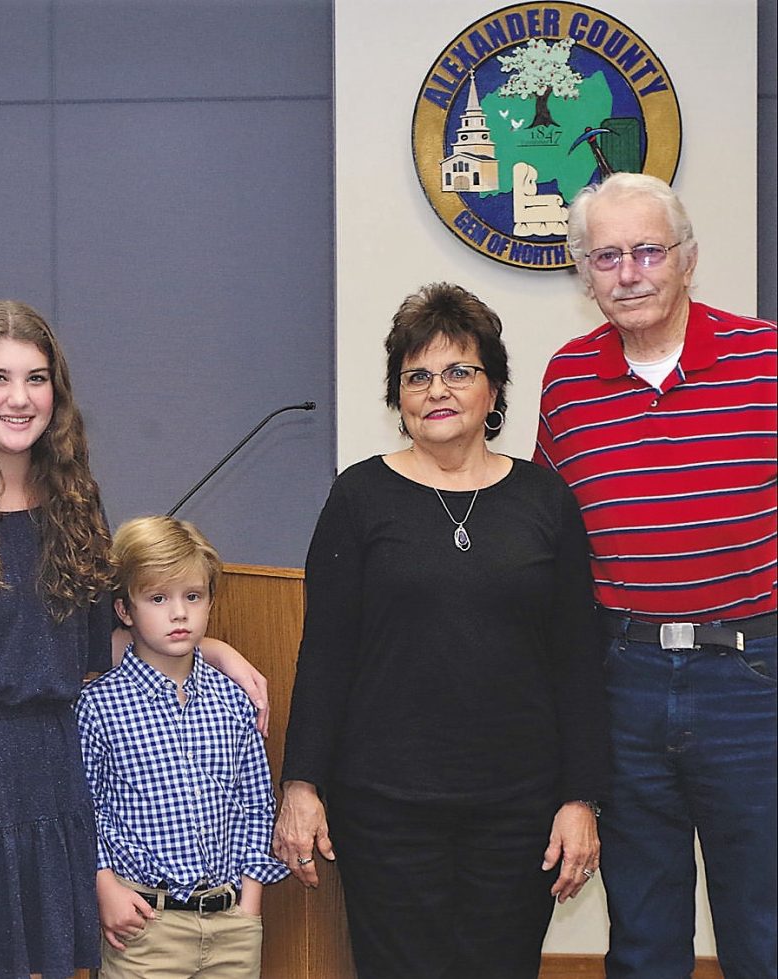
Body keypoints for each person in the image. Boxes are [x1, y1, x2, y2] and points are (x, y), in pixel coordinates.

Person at [0, 300, 268, 979]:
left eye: (37, 378)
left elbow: (90, 651)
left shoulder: (77, 504)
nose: (20, 398)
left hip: (52, 785)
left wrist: (212, 650)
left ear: (58, 393)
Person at [275, 282, 607, 978]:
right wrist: (301, 783)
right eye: (416, 376)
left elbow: (577, 659)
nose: (437, 389)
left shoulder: (545, 499)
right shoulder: (359, 496)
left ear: (495, 387)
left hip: (519, 810)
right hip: (385, 807)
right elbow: (326, 650)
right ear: (399, 397)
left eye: (459, 370)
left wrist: (581, 797)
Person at [534, 173, 776, 978]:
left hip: (753, 676)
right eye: (606, 256)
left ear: (687, 258)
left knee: (764, 922)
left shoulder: (765, 359)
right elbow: (555, 543)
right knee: (641, 932)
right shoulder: (566, 381)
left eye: (646, 250)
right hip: (625, 679)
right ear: (583, 272)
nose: (628, 272)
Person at [78, 514, 289, 979]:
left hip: (231, 926)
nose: (179, 613)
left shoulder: (233, 698)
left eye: (193, 596)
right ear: (124, 611)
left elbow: (255, 802)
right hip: (144, 926)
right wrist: (104, 888)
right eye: (158, 598)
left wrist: (249, 905)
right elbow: (86, 810)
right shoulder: (97, 706)